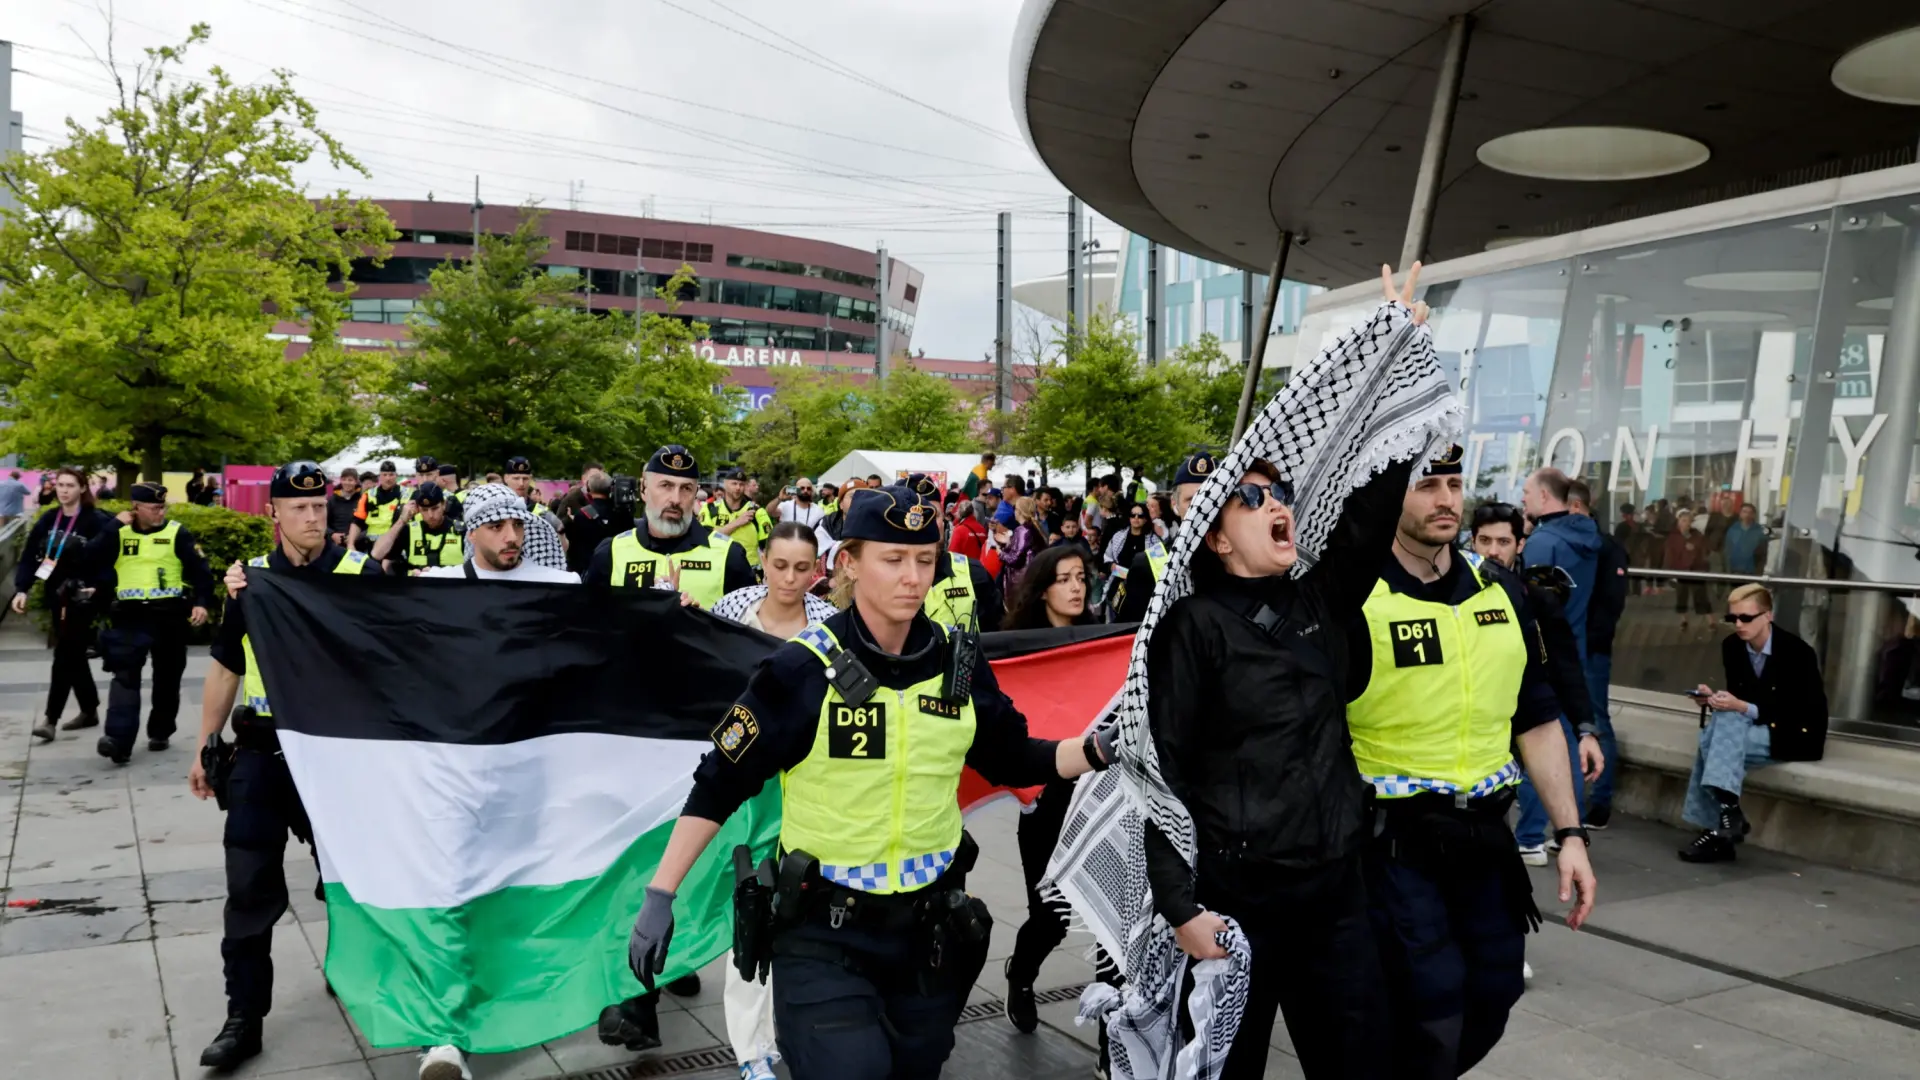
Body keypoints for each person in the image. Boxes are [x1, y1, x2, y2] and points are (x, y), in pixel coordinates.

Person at [623, 484, 1116, 1080]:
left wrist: (1092, 750)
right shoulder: (800, 669)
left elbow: (1014, 758)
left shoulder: (960, 666)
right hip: (822, 937)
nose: (913, 576)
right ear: (849, 565)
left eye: (925, 559)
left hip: (930, 935)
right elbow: (719, 782)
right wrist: (661, 894)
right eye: (893, 558)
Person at [1346, 447, 1597, 1078]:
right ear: (1391, 497)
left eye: (1454, 483)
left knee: (1494, 990)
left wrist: (1570, 834)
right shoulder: (1353, 594)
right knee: (1430, 1000)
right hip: (1392, 840)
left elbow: (1535, 717)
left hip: (1486, 835)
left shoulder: (1499, 588)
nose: (1445, 499)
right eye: (1426, 485)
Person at [188, 461, 383, 1072]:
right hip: (262, 752)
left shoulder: (362, 574)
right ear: (272, 513)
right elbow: (225, 664)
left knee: (350, 881)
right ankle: (243, 1017)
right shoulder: (253, 583)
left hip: (339, 757)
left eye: (320, 506)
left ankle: (353, 972)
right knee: (248, 888)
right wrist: (204, 743)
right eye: (297, 508)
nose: (312, 517)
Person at [705, 522, 836, 1080]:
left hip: (810, 786)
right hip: (744, 784)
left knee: (799, 914)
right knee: (751, 908)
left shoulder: (831, 625)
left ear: (817, 570)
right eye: (779, 565)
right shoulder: (731, 609)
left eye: (802, 568)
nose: (789, 578)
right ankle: (752, 1049)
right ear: (763, 560)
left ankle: (794, 1030)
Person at [1000, 545, 1105, 1035]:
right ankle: (1020, 977)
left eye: (1081, 577)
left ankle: (1115, 1031)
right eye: (1064, 579)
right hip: (1045, 802)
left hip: (1102, 801)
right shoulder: (1018, 647)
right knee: (1051, 917)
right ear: (1043, 589)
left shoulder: (1105, 640)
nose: (1076, 587)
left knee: (1109, 919)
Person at [1680, 584, 1828, 863]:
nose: (1738, 624)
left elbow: (1798, 711)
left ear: (1768, 616)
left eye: (1746, 618)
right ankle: (1727, 817)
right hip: (1751, 726)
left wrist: (1740, 706)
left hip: (1794, 732)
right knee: (1722, 724)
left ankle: (1720, 826)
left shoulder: (1797, 652)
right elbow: (1742, 698)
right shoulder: (1732, 647)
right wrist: (1713, 700)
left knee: (1710, 743)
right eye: (1732, 618)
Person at [83, 483, 214, 764]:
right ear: (136, 508)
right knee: (125, 678)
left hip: (170, 616)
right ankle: (118, 741)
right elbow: (88, 558)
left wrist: (201, 602)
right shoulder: (118, 533)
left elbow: (200, 571)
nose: (160, 512)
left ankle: (161, 731)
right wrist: (112, 527)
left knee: (167, 678)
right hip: (130, 616)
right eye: (154, 508)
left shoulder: (176, 532)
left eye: (162, 507)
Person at [1514, 467, 1602, 863]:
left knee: (1540, 737)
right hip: (1575, 647)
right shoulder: (1590, 539)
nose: (1524, 500)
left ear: (1546, 498)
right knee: (1569, 740)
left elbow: (1534, 606)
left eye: (1527, 492)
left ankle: (1530, 835)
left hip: (1543, 652)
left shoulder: (1543, 542)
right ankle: (1570, 830)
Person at [14, 467, 118, 742]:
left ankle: (50, 718)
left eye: (70, 485)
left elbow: (111, 557)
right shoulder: (49, 519)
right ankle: (89, 709)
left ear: (82, 488)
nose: (63, 490)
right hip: (55, 594)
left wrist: (101, 586)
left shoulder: (96, 521)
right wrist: (22, 589)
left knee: (65, 653)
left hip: (83, 596)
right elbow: (30, 556)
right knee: (71, 653)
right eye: (60, 485)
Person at [588, 445, 754, 605]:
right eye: (666, 486)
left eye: (686, 488)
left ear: (695, 494)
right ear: (644, 489)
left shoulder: (729, 556)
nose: (675, 499)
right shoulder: (611, 553)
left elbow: (748, 628)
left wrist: (700, 622)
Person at [1570, 480, 1629, 831]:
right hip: (1580, 646)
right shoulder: (1585, 545)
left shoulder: (1604, 548)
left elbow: (1609, 604)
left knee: (1596, 720)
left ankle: (1601, 801)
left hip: (1590, 650)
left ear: (1576, 507)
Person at [1112, 451, 1215, 624]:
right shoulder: (1150, 563)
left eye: (1212, 498)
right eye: (1192, 501)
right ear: (1175, 505)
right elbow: (1127, 631)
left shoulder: (1248, 561)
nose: (1203, 507)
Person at [903, 473, 1001, 633]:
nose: (927, 524)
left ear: (944, 521)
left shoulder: (974, 574)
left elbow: (998, 640)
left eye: (934, 515)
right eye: (917, 516)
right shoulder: (880, 578)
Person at [371, 482, 459, 574]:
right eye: (424, 510)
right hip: (416, 586)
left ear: (444, 505)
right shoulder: (409, 530)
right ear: (417, 509)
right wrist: (401, 521)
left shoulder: (460, 530)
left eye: (435, 508)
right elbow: (377, 554)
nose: (431, 515)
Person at [702, 468, 776, 573]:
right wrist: (736, 523)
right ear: (725, 484)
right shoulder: (710, 509)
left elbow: (769, 546)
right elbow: (704, 538)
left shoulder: (757, 511)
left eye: (741, 484)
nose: (738, 488)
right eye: (734, 483)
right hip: (718, 568)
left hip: (749, 571)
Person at [562, 470, 635, 577]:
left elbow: (575, 550)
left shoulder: (582, 515)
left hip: (589, 572)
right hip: (618, 570)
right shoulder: (623, 513)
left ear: (588, 489)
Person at [1665, 508, 1711, 630]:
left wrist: (1694, 548)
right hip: (1680, 569)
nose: (1686, 524)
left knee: (1700, 594)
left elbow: (1703, 549)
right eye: (1683, 520)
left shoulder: (1696, 535)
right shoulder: (1673, 537)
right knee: (1681, 595)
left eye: (1688, 521)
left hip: (1696, 568)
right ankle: (1684, 620)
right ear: (1678, 521)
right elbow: (1670, 554)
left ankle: (1710, 621)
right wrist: (1669, 571)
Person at [350, 461, 407, 553]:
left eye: (391, 474)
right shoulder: (368, 495)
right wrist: (350, 544)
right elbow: (357, 521)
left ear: (396, 475)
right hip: (372, 546)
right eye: (384, 475)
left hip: (396, 546)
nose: (388, 478)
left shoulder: (405, 494)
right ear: (379, 476)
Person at [1001, 496, 1048, 598]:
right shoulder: (1037, 527)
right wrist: (1009, 543)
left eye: (1015, 509)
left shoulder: (1022, 530)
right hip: (1033, 579)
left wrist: (1000, 553)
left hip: (1022, 582)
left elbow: (1015, 560)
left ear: (1019, 511)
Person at [1723, 503, 1769, 576]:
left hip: (1753, 571)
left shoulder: (1760, 531)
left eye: (1750, 512)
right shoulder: (1733, 529)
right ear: (1740, 513)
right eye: (1744, 512)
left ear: (1754, 515)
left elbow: (1764, 553)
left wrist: (1760, 570)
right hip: (1735, 570)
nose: (1747, 515)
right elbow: (1727, 549)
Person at [327, 469, 361, 548]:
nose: (347, 483)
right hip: (335, 545)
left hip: (358, 545)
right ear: (340, 480)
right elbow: (323, 522)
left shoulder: (362, 500)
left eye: (350, 480)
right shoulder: (331, 500)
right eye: (344, 479)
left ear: (356, 482)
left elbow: (368, 525)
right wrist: (332, 534)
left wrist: (354, 537)